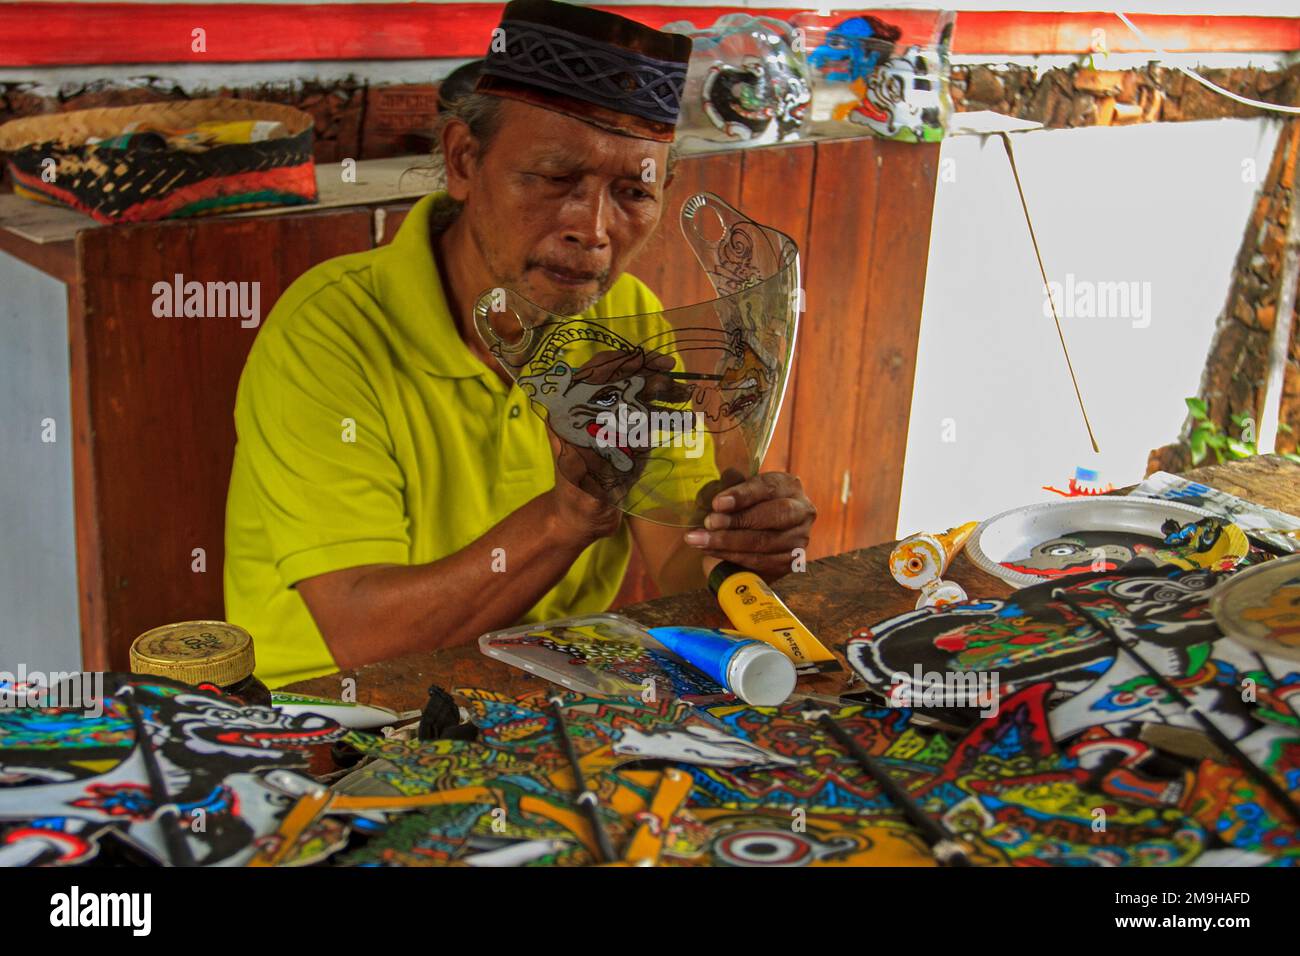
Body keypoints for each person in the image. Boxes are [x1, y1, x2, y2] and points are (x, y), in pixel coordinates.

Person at [223, 0, 816, 688]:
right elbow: (363, 636)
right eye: (555, 178)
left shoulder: (628, 315)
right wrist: (564, 520)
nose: (592, 228)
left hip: (537, 683)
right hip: (336, 706)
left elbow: (680, 558)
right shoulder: (331, 331)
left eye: (632, 192)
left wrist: (742, 546)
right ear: (463, 161)